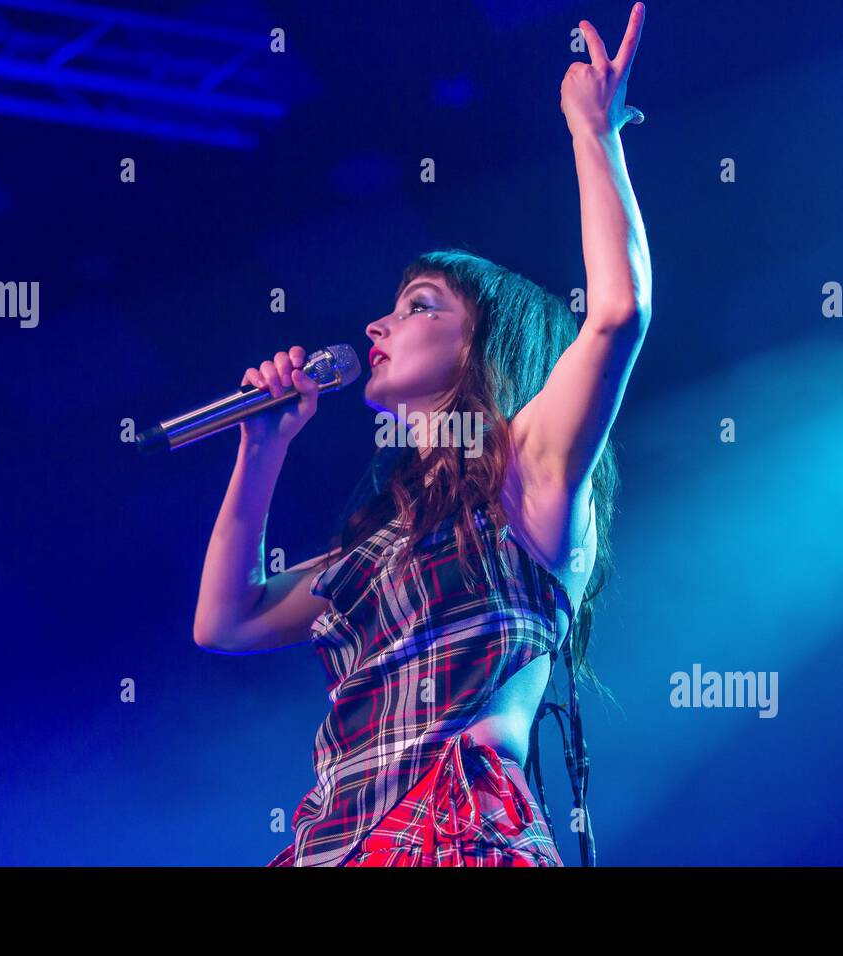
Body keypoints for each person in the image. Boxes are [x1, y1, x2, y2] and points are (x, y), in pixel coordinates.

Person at [193, 3, 652, 867]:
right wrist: (263, 451)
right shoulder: (384, 543)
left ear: (482, 345)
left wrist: (593, 131)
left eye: (417, 306)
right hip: (335, 844)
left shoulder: (529, 475)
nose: (378, 324)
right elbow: (226, 619)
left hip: (449, 836)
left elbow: (618, 314)